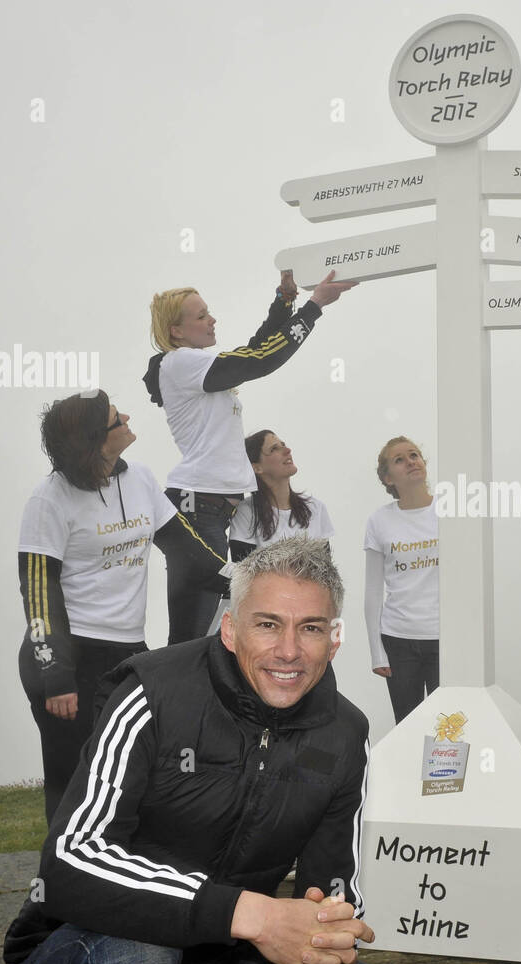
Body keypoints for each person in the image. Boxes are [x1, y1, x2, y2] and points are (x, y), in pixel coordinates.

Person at [6, 538, 420, 964]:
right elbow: (69, 863)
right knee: (142, 958)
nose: (289, 651)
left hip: (223, 955)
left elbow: (330, 889)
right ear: (230, 629)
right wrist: (252, 914)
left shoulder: (345, 733)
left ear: (333, 639)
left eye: (310, 628)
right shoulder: (152, 693)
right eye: (268, 625)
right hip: (87, 947)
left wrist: (326, 935)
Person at [18, 390, 229, 824]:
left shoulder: (141, 480)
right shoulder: (48, 500)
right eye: (117, 418)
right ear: (95, 438)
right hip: (68, 655)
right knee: (73, 777)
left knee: (134, 767)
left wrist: (245, 584)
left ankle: (113, 867)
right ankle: (58, 881)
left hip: (127, 652)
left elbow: (186, 549)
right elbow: (39, 589)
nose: (128, 417)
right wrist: (56, 676)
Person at [143, 269, 355, 644]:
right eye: (201, 316)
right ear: (176, 331)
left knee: (205, 631)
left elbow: (257, 348)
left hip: (212, 510)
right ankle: (168, 700)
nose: (212, 320)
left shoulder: (192, 366)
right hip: (196, 508)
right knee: (195, 637)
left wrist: (284, 301)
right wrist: (315, 306)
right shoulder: (181, 363)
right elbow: (260, 360)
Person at [364, 437, 439, 723]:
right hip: (399, 642)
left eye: (415, 455)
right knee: (408, 726)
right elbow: (373, 591)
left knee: (447, 729)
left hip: (444, 640)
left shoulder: (451, 510)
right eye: (399, 460)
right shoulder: (379, 521)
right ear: (387, 478)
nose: (411, 461)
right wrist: (376, 652)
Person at [229, 430, 335, 561]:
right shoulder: (246, 513)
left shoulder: (316, 509)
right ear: (256, 468)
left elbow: (325, 572)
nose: (287, 450)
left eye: (283, 444)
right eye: (274, 449)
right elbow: (243, 575)